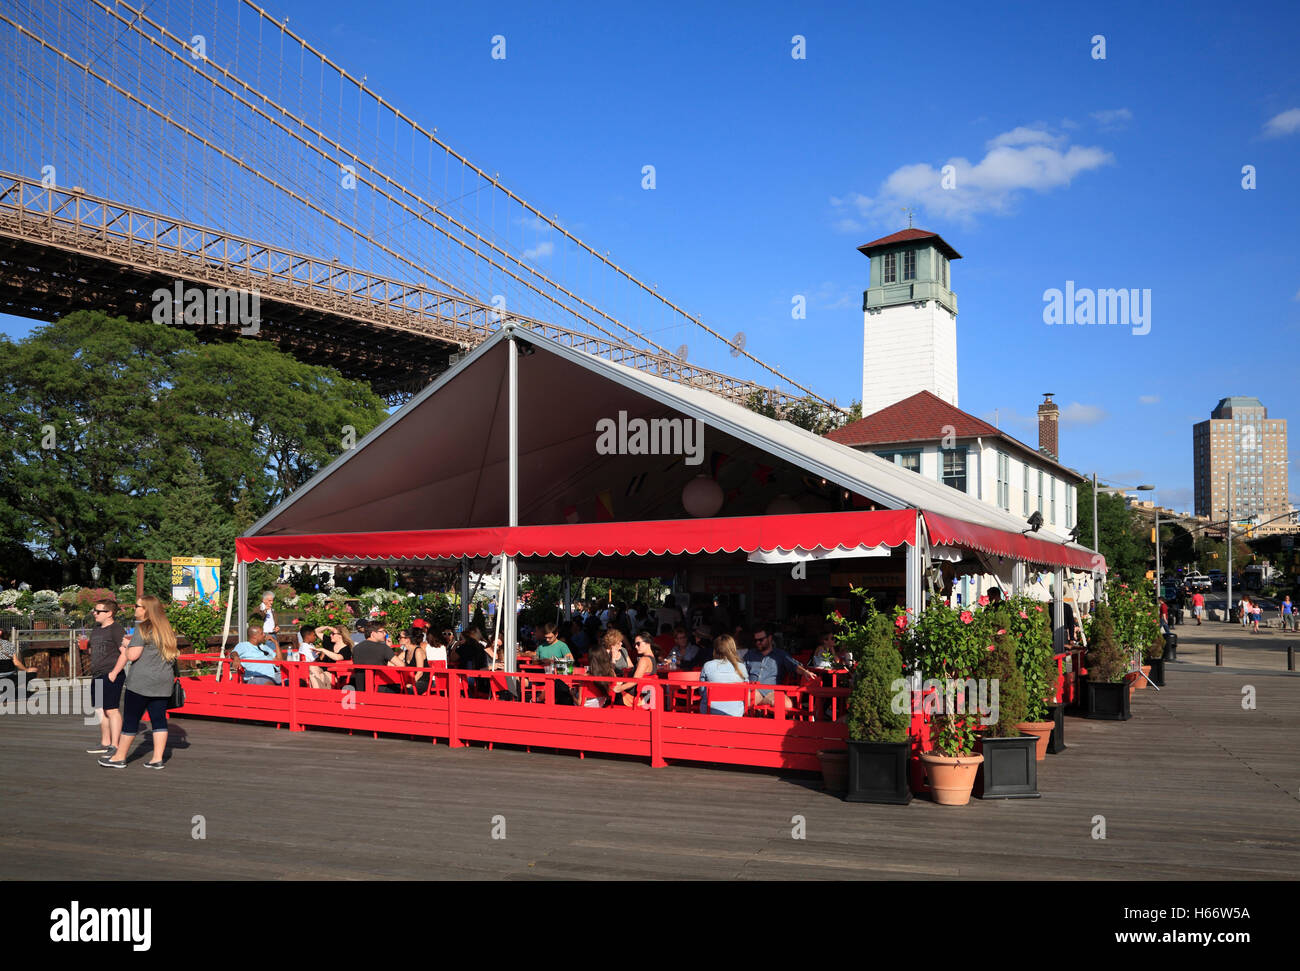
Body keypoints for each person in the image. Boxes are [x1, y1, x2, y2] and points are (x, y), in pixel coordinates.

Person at [99, 596, 179, 770]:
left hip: (141, 682)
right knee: (159, 721)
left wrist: (127, 644)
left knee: (131, 720)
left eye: (137, 606)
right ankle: (157, 759)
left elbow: (133, 655)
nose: (134, 609)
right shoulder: (166, 629)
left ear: (146, 610)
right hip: (163, 682)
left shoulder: (143, 628)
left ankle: (119, 757)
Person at [743, 622, 818, 709]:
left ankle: (760, 706)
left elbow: (794, 665)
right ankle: (761, 706)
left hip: (771, 692)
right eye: (755, 640)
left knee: (787, 705)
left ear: (770, 638)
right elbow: (740, 670)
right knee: (743, 700)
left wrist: (805, 672)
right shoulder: (750, 654)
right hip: (752, 691)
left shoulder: (780, 654)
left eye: (761, 640)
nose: (758, 643)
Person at [85, 599, 127, 756]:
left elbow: (125, 652)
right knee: (99, 710)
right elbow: (95, 650)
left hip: (110, 673)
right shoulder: (96, 629)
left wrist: (114, 673)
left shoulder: (116, 629)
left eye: (98, 611)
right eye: (94, 611)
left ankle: (115, 745)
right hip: (97, 674)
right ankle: (105, 742)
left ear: (109, 613)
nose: (94, 613)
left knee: (112, 710)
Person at [699, 633, 748, 716]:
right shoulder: (742, 667)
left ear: (715, 649)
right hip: (736, 714)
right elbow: (747, 693)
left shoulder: (708, 666)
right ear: (733, 648)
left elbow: (702, 691)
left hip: (711, 712)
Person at [613, 631, 657, 708]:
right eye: (635, 644)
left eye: (638, 644)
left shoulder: (644, 660)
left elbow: (634, 681)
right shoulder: (652, 659)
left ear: (647, 643)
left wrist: (618, 688)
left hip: (633, 698)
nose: (636, 646)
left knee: (608, 696)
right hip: (644, 696)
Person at [353, 622, 396, 691]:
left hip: (361, 689)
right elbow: (401, 665)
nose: (385, 634)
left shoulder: (356, 648)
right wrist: (389, 648)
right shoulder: (383, 648)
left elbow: (372, 660)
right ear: (373, 633)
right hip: (380, 689)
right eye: (382, 631)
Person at [390, 627, 429, 694]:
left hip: (422, 681)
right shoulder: (406, 652)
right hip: (411, 681)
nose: (398, 638)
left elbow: (420, 673)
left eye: (400, 637)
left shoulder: (418, 651)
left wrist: (411, 684)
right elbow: (393, 663)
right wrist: (388, 647)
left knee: (407, 690)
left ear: (407, 639)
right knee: (391, 688)